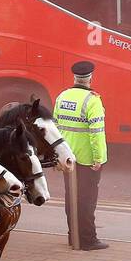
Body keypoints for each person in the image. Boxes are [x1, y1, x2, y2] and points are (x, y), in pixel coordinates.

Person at [52, 60, 108, 251]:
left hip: (68, 158)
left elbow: (56, 129)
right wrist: (98, 158)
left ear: (75, 77)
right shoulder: (92, 100)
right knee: (87, 200)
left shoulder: (62, 97)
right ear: (90, 78)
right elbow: (96, 132)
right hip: (86, 160)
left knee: (71, 198)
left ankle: (72, 236)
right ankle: (87, 239)